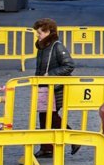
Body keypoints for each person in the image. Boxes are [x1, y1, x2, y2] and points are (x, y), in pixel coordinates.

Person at [33, 18, 76, 157]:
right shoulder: (42, 47)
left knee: (51, 117)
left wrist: (50, 75)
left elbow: (69, 65)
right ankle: (47, 148)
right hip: (45, 87)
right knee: (44, 116)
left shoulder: (57, 46)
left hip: (57, 88)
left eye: (39, 33)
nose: (37, 35)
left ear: (48, 32)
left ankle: (74, 139)